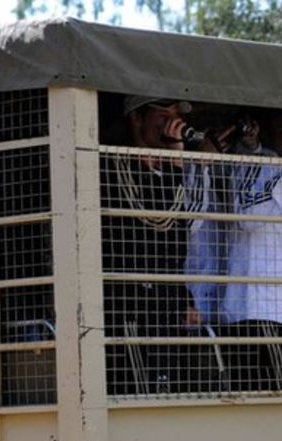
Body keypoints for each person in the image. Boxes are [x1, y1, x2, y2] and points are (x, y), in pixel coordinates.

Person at [101, 95, 201, 395]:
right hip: (128, 303)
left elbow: (177, 238)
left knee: (176, 386)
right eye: (163, 116)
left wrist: (185, 297)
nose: (172, 123)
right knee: (135, 386)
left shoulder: (171, 174)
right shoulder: (112, 167)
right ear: (136, 118)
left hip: (168, 302)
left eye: (175, 115)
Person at [213, 111, 282, 391]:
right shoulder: (254, 161)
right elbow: (247, 217)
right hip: (252, 308)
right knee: (252, 399)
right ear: (267, 133)